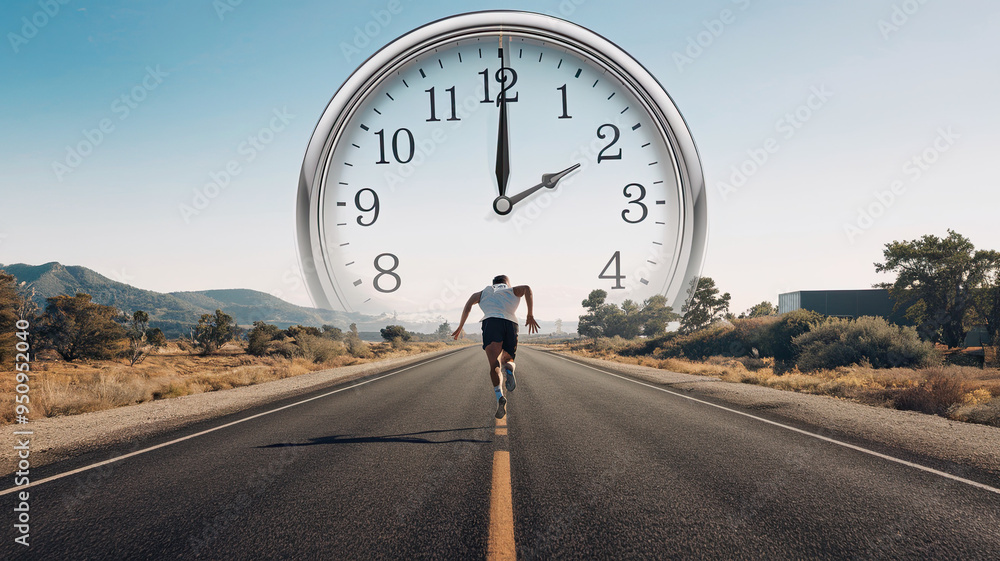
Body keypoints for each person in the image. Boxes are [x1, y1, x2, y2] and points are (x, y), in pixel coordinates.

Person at [452, 275, 539, 419]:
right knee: (507, 359)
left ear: (493, 284)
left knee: (494, 365)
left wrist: (461, 326)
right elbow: (527, 289)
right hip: (510, 323)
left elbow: (468, 305)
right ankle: (509, 368)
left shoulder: (482, 293)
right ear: (507, 283)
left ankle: (500, 396)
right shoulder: (511, 290)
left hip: (491, 323)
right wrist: (530, 314)